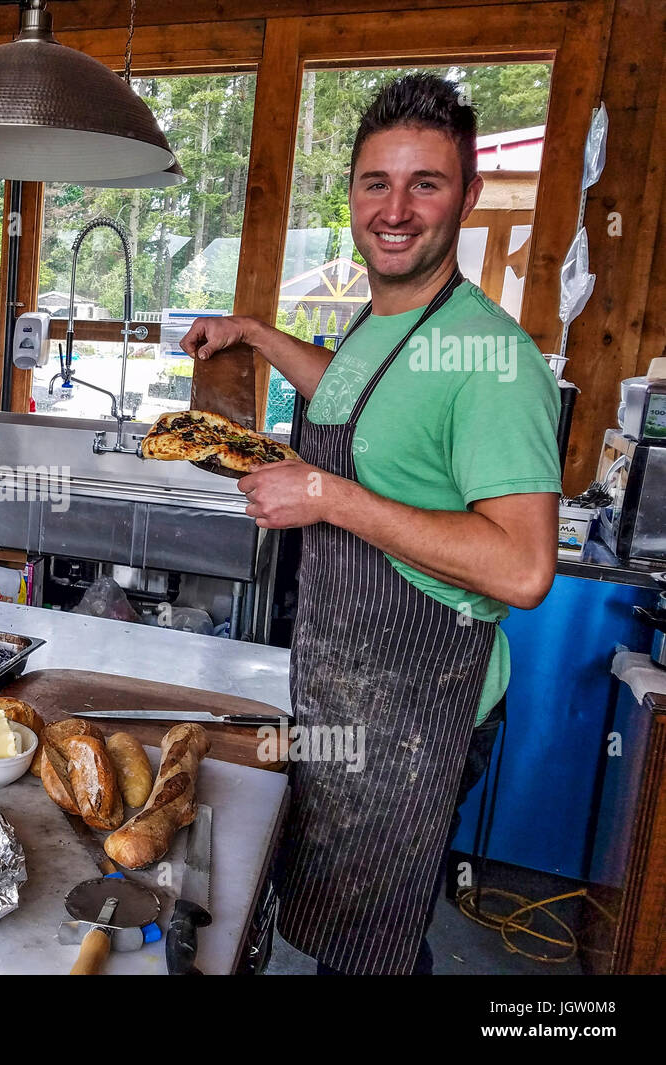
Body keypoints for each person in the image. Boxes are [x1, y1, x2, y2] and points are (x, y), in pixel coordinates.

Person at [179, 73, 561, 975]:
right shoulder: (382, 323)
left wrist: (326, 496)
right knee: (329, 909)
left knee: (374, 947)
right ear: (350, 191)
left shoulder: (494, 362)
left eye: (425, 183)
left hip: (421, 713)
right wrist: (261, 337)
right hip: (347, 684)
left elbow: (523, 570)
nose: (395, 209)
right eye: (374, 183)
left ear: (466, 195)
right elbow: (363, 403)